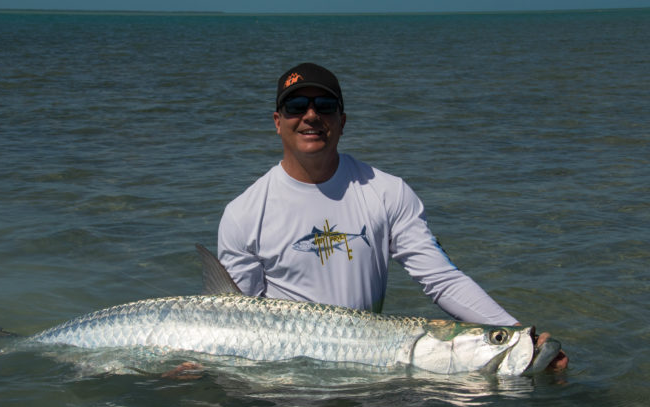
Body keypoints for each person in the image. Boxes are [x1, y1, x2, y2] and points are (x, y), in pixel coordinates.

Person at [217, 62, 567, 370]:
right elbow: (234, 316)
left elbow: (442, 279)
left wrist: (519, 338)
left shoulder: (387, 192)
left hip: (372, 363)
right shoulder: (243, 213)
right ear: (278, 122)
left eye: (324, 106)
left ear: (342, 121)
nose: (311, 116)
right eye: (295, 106)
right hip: (285, 378)